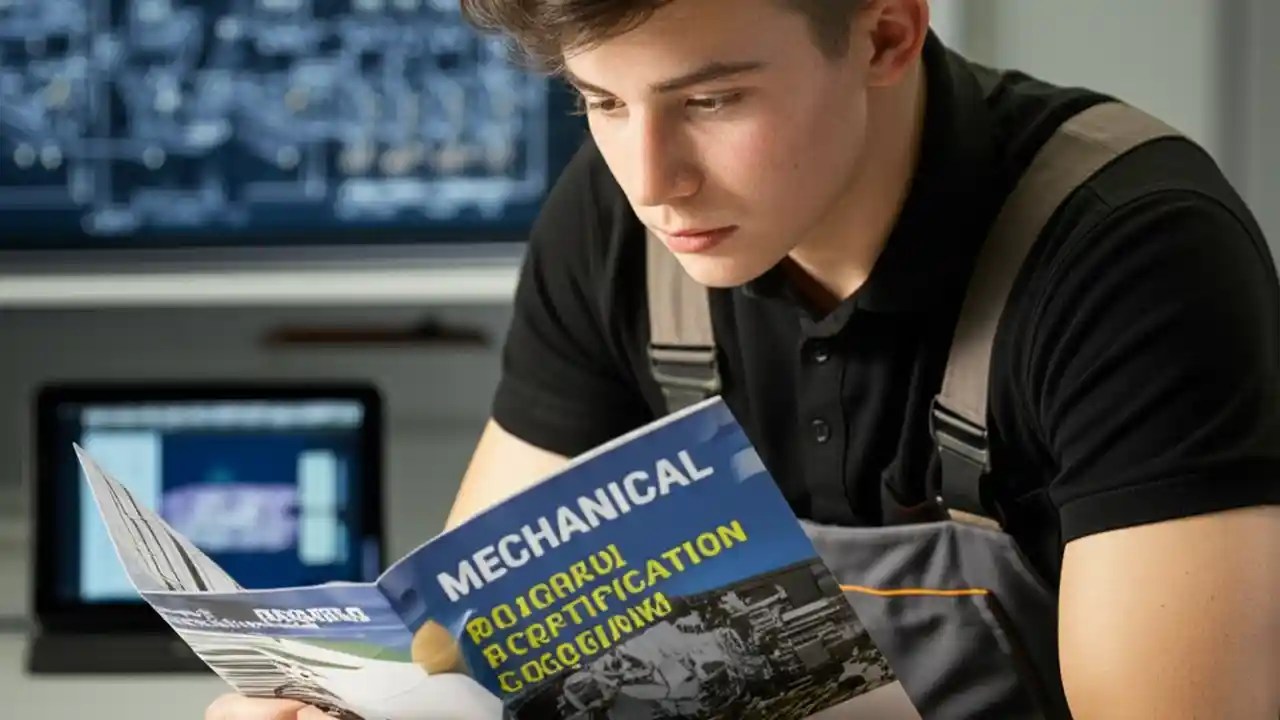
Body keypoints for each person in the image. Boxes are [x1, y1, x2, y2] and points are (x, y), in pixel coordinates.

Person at [206, 0, 1280, 718]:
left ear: (884, 33)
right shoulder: (615, 226)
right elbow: (464, 652)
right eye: (601, 102)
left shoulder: (1133, 255)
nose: (651, 181)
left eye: (709, 100)